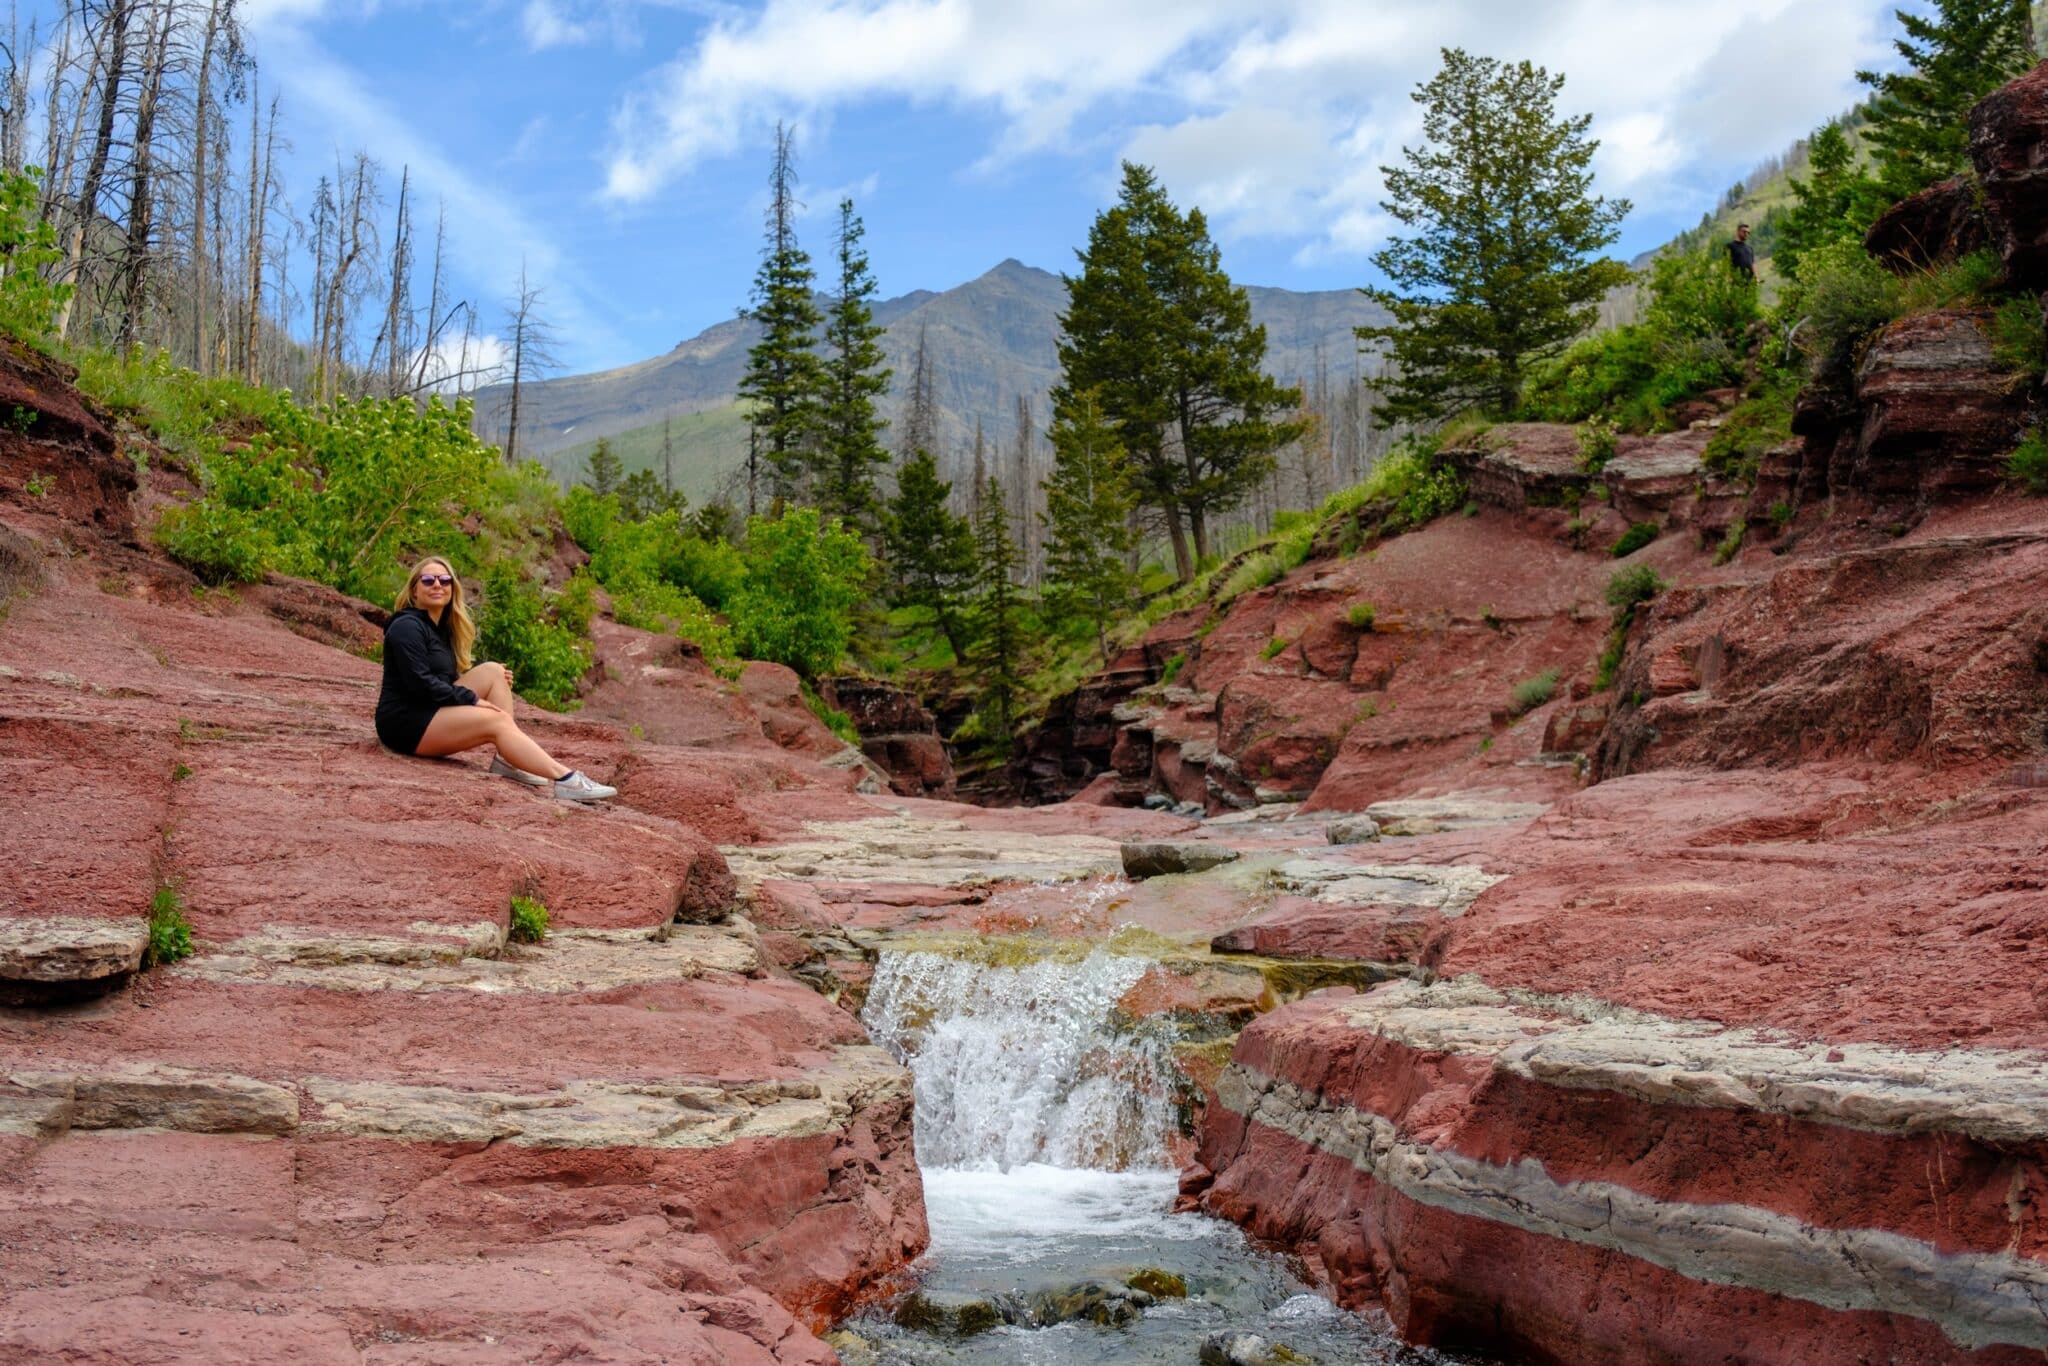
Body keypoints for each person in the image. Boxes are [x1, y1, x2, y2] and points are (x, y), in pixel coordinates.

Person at [374, 557, 616, 802]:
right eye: (428, 579)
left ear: (452, 587)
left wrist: (483, 685)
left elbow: (442, 679)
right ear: (415, 589)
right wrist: (471, 699)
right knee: (496, 720)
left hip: (426, 709)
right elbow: (419, 684)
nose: (437, 584)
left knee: (494, 671)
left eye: (444, 579)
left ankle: (507, 761)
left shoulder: (440, 628)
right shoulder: (407, 627)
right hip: (404, 724)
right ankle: (566, 779)